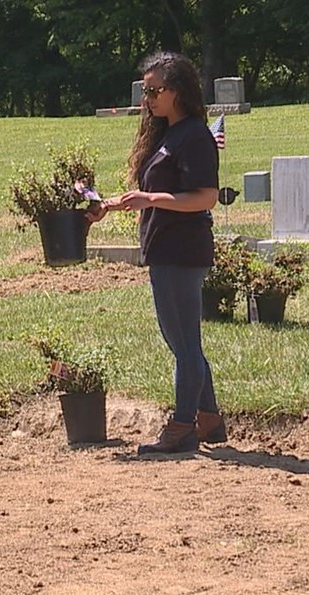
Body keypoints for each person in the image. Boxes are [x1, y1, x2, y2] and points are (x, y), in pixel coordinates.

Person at [96, 51, 226, 454]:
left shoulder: (194, 136)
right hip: (165, 250)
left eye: (155, 91)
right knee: (183, 341)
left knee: (183, 343)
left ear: (179, 90)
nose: (147, 99)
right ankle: (209, 420)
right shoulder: (167, 134)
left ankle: (182, 427)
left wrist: (150, 197)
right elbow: (154, 194)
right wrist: (113, 205)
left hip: (182, 252)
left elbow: (205, 198)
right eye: (145, 91)